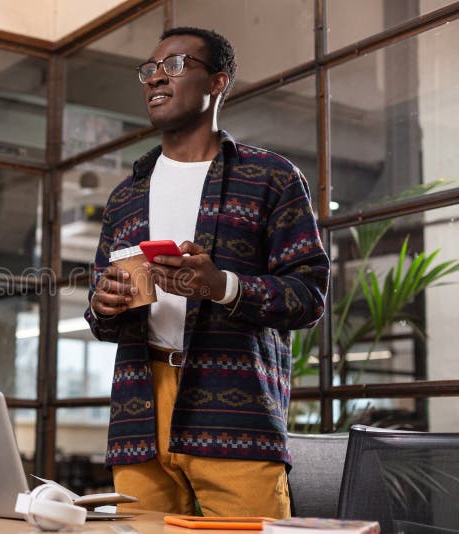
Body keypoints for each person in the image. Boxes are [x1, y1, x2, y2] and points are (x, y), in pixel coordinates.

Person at [85, 27, 330, 518]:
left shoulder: (272, 178)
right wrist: (103, 305)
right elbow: (101, 313)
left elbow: (309, 296)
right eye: (149, 69)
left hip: (234, 412)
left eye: (175, 65)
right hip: (140, 409)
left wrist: (222, 286)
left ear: (217, 82)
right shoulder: (125, 196)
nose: (156, 77)